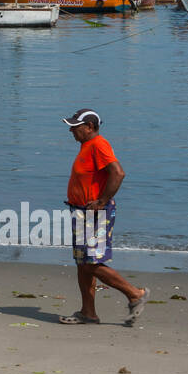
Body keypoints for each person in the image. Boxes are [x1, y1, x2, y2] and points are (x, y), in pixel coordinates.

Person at [58, 109, 149, 325]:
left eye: (76, 126)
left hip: (95, 213)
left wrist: (101, 201)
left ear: (90, 126)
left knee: (91, 263)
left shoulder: (99, 144)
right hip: (82, 212)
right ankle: (88, 313)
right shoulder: (86, 146)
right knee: (82, 263)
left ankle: (135, 294)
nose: (71, 130)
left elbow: (118, 173)